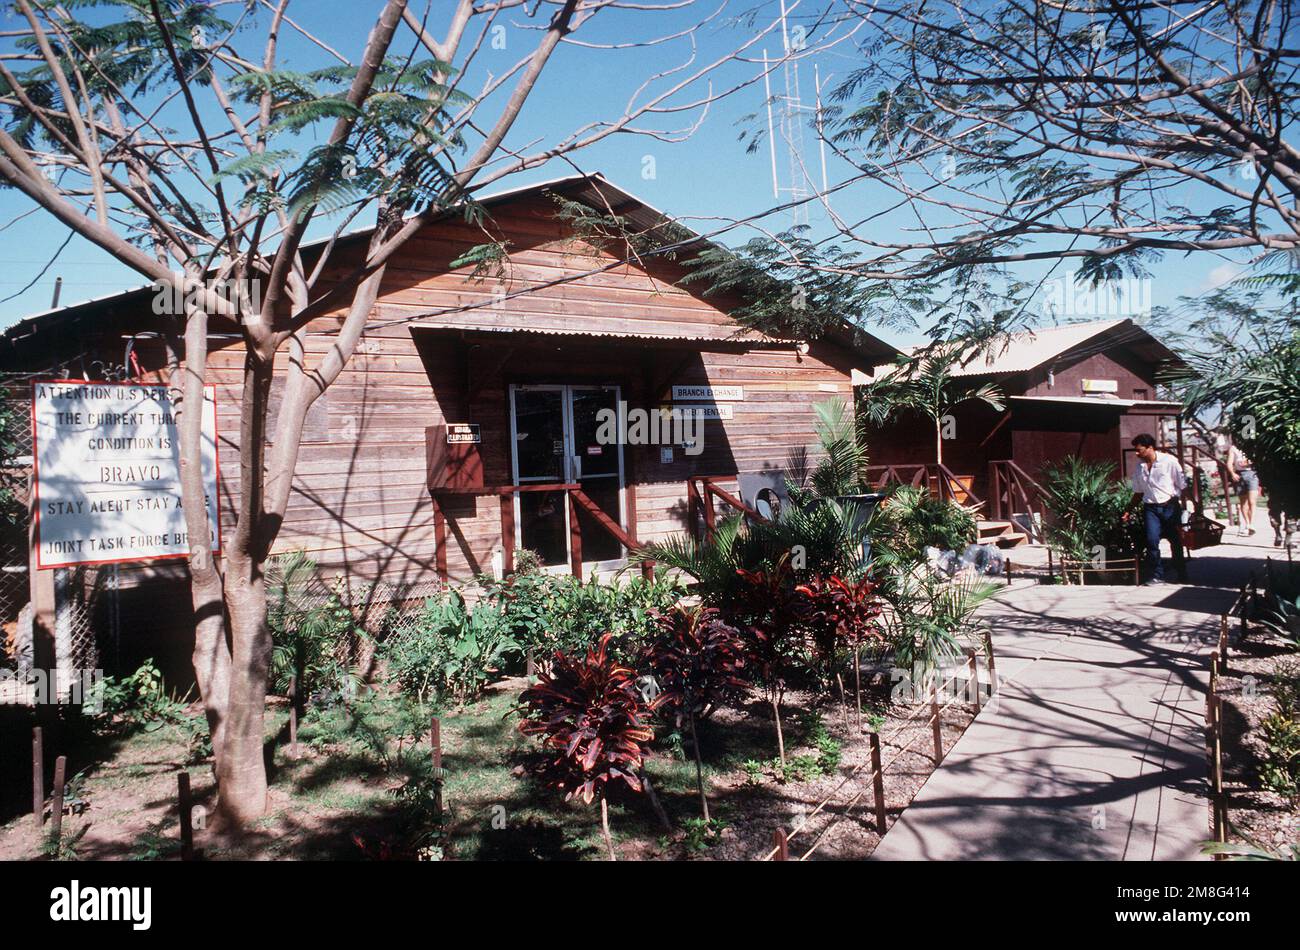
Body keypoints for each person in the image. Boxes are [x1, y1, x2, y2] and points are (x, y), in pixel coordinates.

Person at [1129, 433, 1188, 585]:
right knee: (1152, 540)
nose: (1136, 453)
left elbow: (1182, 485)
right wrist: (1128, 509)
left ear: (1150, 448)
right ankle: (1157, 575)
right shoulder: (1139, 467)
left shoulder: (1169, 461)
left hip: (1170, 506)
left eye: (1139, 450)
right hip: (1150, 508)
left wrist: (1189, 506)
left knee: (1175, 540)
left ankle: (1181, 572)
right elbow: (1138, 492)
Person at [1226, 438, 1260, 536]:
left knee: (1252, 501)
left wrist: (1250, 462)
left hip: (1252, 474)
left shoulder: (1251, 447)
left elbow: (1256, 459)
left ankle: (1252, 523)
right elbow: (1229, 463)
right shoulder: (1233, 449)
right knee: (1243, 502)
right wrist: (1232, 473)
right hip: (1239, 474)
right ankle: (1247, 524)